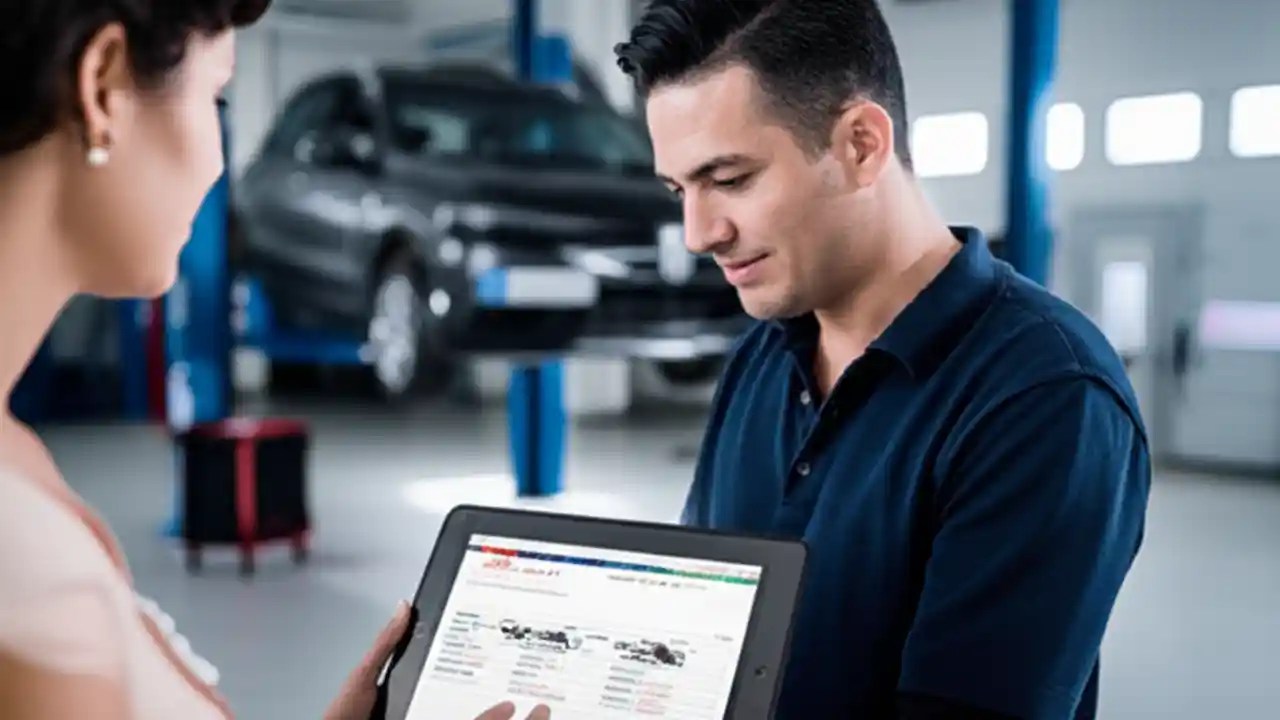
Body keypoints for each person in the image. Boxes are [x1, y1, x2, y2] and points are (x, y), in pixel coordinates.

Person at [0, 2, 550, 719]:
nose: (220, 162)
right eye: (214, 96)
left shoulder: (20, 467)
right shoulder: (35, 581)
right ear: (102, 89)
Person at [616, 1, 1151, 718]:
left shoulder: (1045, 395)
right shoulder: (762, 358)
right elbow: (697, 651)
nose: (697, 233)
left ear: (861, 144)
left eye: (731, 179)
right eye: (680, 190)